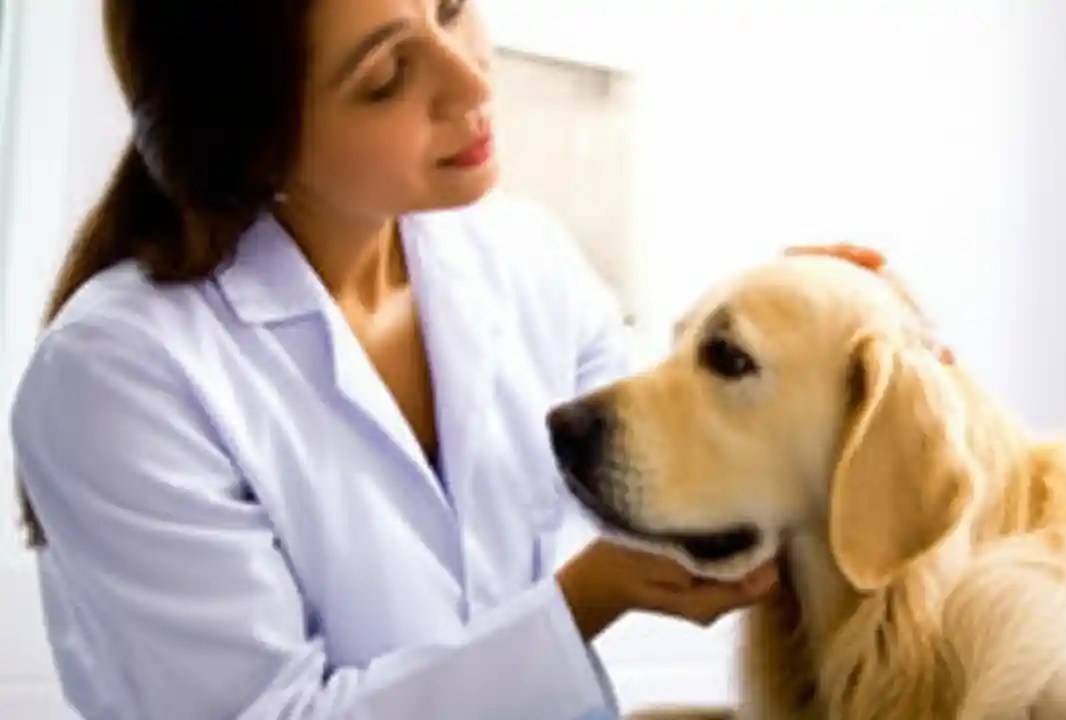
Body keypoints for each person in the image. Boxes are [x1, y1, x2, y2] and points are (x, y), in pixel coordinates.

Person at [9, 2, 895, 719]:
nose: (472, 78)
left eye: (452, 6)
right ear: (258, 145)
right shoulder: (118, 375)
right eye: (388, 77)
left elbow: (652, 454)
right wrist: (584, 601)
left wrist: (799, 334)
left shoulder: (514, 254)